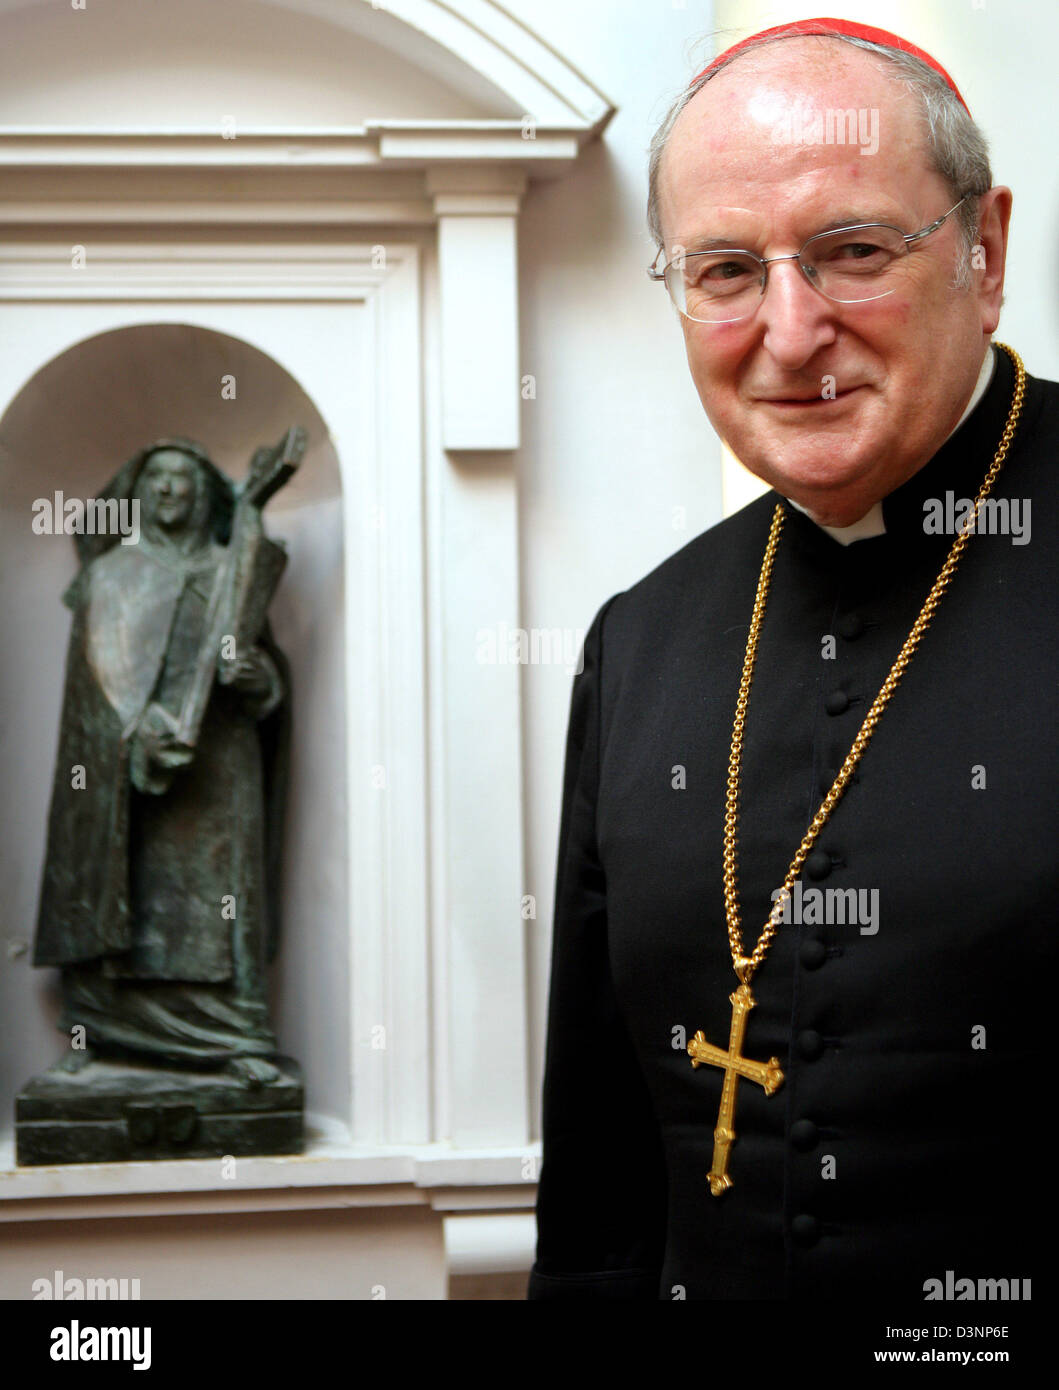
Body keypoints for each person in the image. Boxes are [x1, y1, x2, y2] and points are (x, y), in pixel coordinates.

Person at [529, 20, 1058, 1301]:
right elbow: (601, 1174)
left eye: (853, 252)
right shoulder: (643, 636)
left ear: (983, 253)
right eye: (723, 271)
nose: (789, 329)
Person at [32, 438, 291, 1084]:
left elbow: (266, 674)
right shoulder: (109, 576)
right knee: (118, 887)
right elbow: (88, 695)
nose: (169, 491)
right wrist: (129, 731)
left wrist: (261, 682)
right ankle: (99, 1031)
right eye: (157, 479)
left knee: (222, 897)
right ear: (137, 494)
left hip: (219, 768)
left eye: (183, 479)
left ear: (205, 494)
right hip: (127, 777)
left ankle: (236, 1036)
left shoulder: (230, 570)